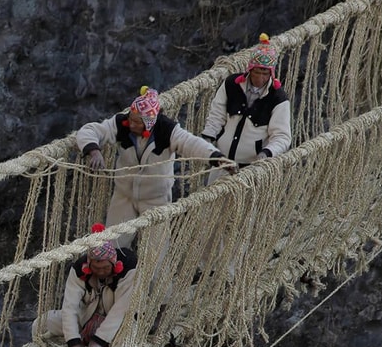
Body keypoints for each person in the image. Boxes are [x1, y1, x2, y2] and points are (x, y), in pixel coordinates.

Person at [74, 86, 224, 247]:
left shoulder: (167, 130)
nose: (131, 124)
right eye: (130, 119)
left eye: (137, 122)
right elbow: (90, 130)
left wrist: (216, 157)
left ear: (149, 123)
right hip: (124, 195)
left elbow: (191, 143)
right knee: (113, 245)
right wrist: (94, 150)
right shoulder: (121, 124)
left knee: (155, 250)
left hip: (156, 200)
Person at [201, 33, 292, 183]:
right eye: (257, 72)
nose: (260, 78)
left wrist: (267, 153)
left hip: (250, 171)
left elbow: (282, 137)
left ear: (271, 73)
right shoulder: (231, 85)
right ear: (250, 69)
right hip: (221, 163)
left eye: (265, 73)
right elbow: (216, 116)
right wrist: (208, 139)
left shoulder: (278, 98)